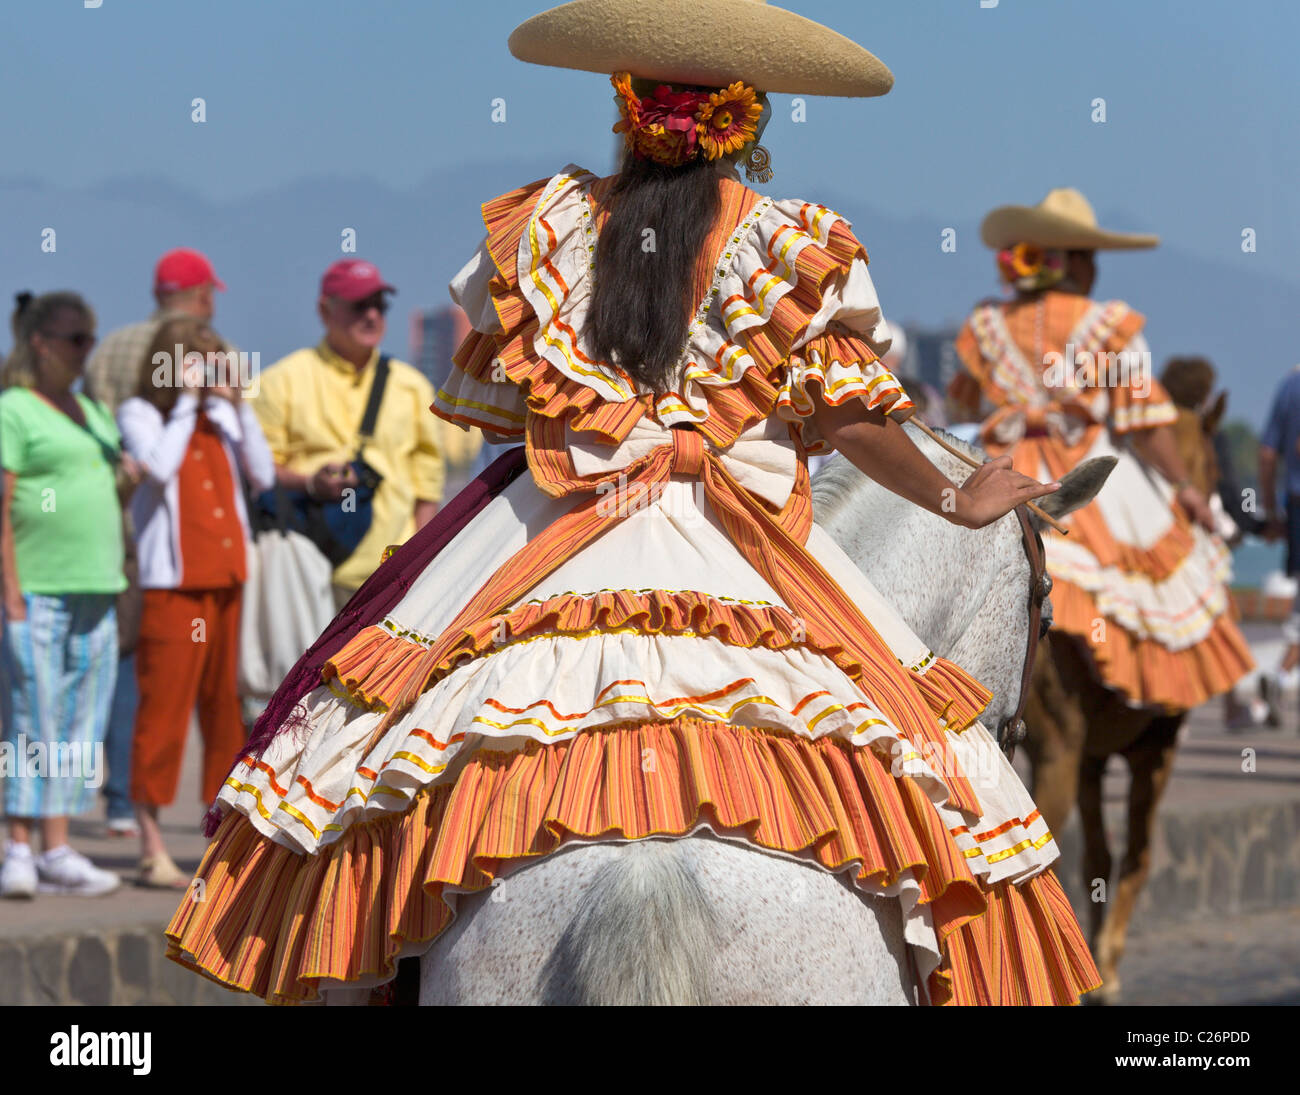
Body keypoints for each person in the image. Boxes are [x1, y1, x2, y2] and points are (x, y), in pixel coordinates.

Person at [166, 0, 1101, 1005]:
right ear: (752, 126)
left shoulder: (546, 228)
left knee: (371, 755)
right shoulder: (792, 243)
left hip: (562, 533)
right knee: (928, 774)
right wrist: (958, 495)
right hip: (746, 551)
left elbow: (504, 418)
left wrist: (610, 428)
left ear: (626, 116)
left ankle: (357, 981)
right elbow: (852, 422)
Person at [949, 190, 1254, 712]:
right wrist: (1184, 488)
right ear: (1076, 262)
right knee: (1163, 563)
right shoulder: (1107, 324)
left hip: (1003, 462)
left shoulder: (987, 324)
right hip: (1078, 462)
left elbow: (963, 397)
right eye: (1090, 257)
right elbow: (1147, 421)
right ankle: (1126, 705)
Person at [117, 317, 274, 887]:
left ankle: (219, 839)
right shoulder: (142, 414)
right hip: (173, 586)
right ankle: (149, 839)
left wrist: (238, 406)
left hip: (226, 579)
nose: (209, 373)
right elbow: (158, 468)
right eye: (198, 361)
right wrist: (185, 400)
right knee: (162, 711)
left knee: (224, 712)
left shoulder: (221, 417)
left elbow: (261, 475)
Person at [84, 247, 229, 838]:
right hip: (173, 532)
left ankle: (120, 800)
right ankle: (145, 808)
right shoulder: (193, 346)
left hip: (112, 517)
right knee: (170, 678)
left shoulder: (110, 345)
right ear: (198, 296)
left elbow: (96, 426)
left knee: (124, 663)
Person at [0, 291, 137, 898]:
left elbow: (110, 499)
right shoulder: (15, 410)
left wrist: (127, 483)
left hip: (96, 588)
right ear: (42, 343)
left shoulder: (89, 410)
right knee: (34, 719)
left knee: (80, 725)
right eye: (76, 339)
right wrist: (11, 596)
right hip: (38, 589)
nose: (88, 350)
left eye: (91, 337)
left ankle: (56, 846)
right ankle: (19, 846)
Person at [250, 260, 449, 610]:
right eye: (359, 305)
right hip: (309, 578)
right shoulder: (280, 382)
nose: (372, 315)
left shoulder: (412, 387)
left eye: (380, 306)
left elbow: (427, 486)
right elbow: (258, 471)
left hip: (391, 579)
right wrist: (311, 483)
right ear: (324, 311)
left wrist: (419, 566)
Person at [1258, 363, 1300, 724]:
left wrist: (1272, 511)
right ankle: (1280, 676)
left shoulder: (1290, 385)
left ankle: (1280, 676)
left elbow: (1268, 454)